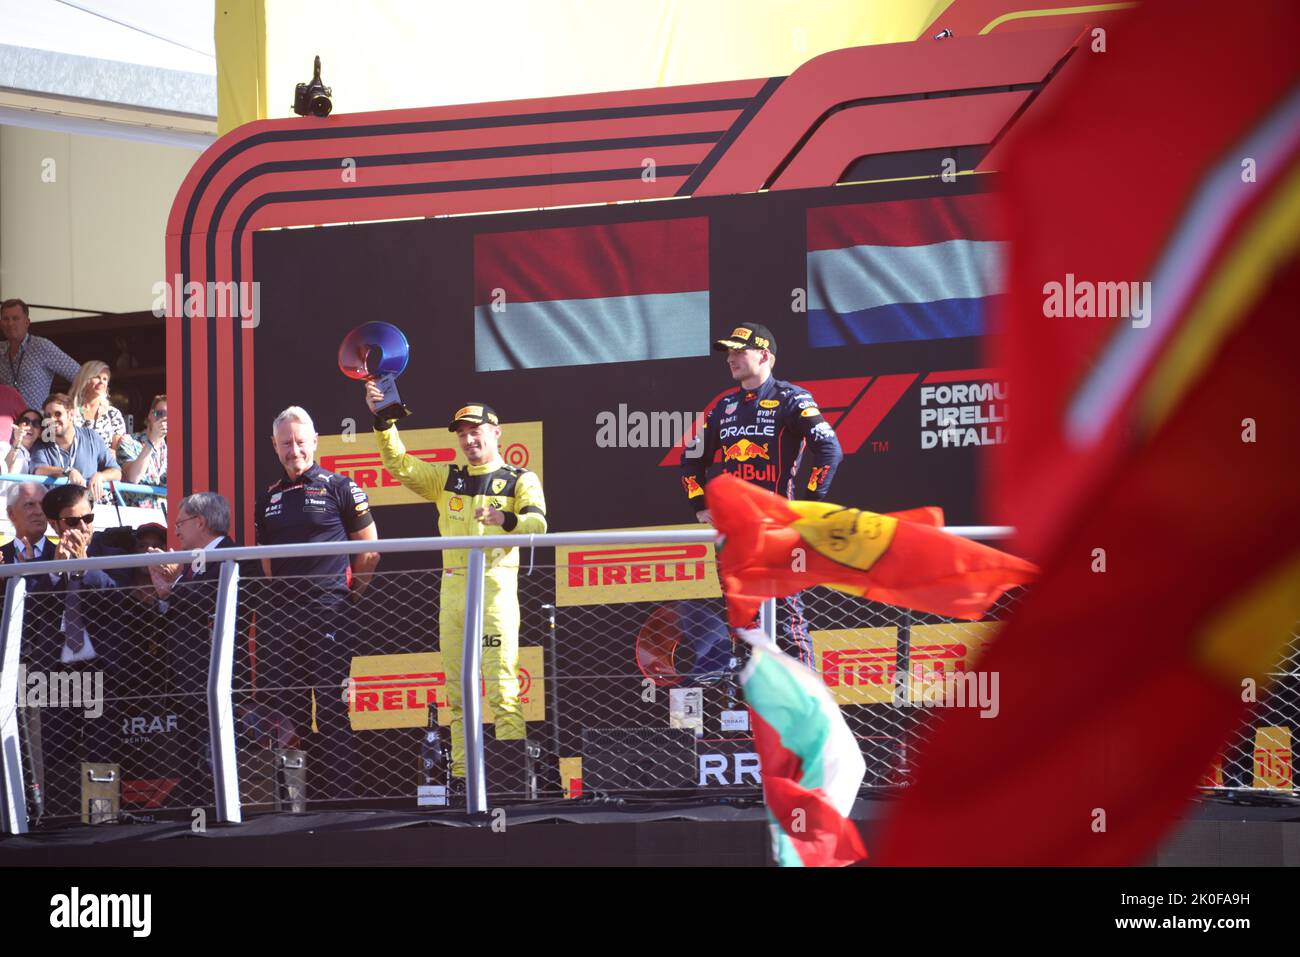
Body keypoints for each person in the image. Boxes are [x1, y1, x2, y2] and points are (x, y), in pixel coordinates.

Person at [367, 384, 547, 791]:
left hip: (496, 589)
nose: (468, 439)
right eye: (461, 433)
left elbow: (538, 524)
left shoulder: (520, 478)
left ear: (496, 431)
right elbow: (400, 465)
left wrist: (506, 522)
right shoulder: (447, 479)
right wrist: (383, 423)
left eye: (475, 430)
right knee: (458, 692)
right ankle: (465, 780)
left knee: (501, 687)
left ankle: (510, 783)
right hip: (453, 593)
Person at [679, 322, 843, 668]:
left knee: (787, 623)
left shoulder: (791, 398)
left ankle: (804, 711)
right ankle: (754, 717)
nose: (731, 359)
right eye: (729, 353)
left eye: (740, 351)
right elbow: (690, 461)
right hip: (733, 535)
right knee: (743, 626)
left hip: (775, 531)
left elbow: (829, 451)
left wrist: (808, 511)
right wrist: (699, 505)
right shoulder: (723, 407)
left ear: (765, 355)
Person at [254, 406, 379, 804]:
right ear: (275, 447)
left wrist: (346, 596)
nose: (294, 451)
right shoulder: (268, 498)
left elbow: (370, 552)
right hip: (281, 617)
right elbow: (267, 563)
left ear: (315, 443)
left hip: (331, 613)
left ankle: (340, 801)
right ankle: (295, 805)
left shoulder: (340, 486)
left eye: (300, 442)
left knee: (331, 707)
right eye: (286, 443)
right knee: (286, 711)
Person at [29, 393, 121, 503]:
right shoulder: (42, 443)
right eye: (48, 416)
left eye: (58, 414)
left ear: (71, 414)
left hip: (89, 508)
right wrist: (68, 471)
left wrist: (100, 476)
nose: (52, 420)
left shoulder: (91, 437)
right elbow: (38, 470)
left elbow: (117, 472)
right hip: (56, 509)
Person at [0, 299, 81, 410]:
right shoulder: (1, 349)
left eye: (15, 318)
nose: (10, 323)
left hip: (36, 423)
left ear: (27, 322)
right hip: (7, 422)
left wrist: (68, 408)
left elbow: (80, 375)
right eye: (5, 319)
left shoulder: (41, 347)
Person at [68, 360, 134, 458]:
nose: (101, 382)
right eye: (97, 377)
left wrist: (112, 454)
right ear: (85, 379)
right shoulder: (69, 410)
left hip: (104, 466)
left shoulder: (113, 414)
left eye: (105, 379)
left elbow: (116, 451)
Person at [120, 394, 167, 507]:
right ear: (151, 414)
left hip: (164, 516)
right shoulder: (129, 441)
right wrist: (152, 441)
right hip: (135, 514)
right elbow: (133, 477)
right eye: (161, 414)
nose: (165, 419)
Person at [1, 481, 57, 564]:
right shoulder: (2, 555)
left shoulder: (62, 556)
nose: (39, 511)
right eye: (30, 504)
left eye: (43, 504)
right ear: (11, 513)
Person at [5, 408, 44, 475]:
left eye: (36, 423)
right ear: (17, 426)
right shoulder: (4, 447)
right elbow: (4, 471)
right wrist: (17, 441)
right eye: (25, 421)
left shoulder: (42, 456)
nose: (29, 426)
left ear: (40, 433)